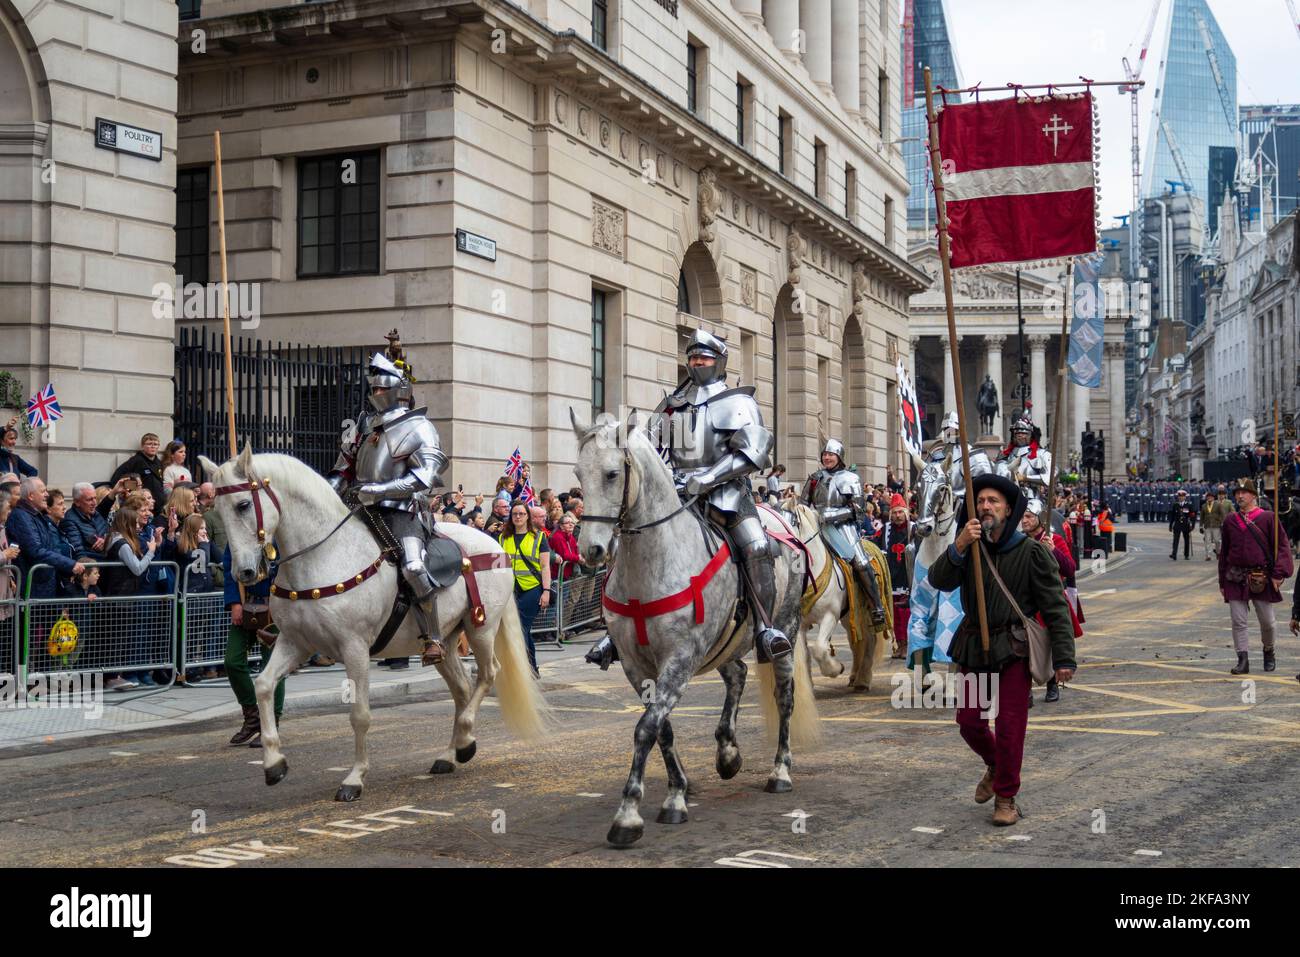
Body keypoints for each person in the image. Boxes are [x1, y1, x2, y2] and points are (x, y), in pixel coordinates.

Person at [586, 330, 790, 670]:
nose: (697, 362)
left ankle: (765, 629)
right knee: (626, 545)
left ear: (719, 362)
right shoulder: (672, 404)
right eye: (693, 356)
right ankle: (615, 630)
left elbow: (754, 452)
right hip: (675, 495)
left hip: (727, 495)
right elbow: (647, 451)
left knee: (755, 547)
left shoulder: (737, 402)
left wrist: (708, 477)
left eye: (705, 357)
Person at [927, 473, 1076, 826]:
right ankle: (995, 765)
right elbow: (937, 580)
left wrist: (1065, 657)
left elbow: (1055, 606)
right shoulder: (968, 547)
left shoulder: (1032, 552)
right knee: (969, 723)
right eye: (980, 501)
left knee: (1010, 727)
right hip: (974, 645)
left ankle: (1006, 796)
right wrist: (958, 546)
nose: (986, 506)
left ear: (1009, 509)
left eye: (993, 501)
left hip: (1014, 649)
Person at [327, 351, 449, 664]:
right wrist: (328, 493)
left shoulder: (419, 427)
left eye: (382, 389)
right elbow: (344, 468)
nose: (376, 394)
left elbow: (426, 476)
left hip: (403, 511)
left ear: (399, 390)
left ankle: (432, 637)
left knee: (412, 567)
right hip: (361, 507)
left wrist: (380, 490)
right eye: (373, 389)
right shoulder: (364, 425)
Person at [803, 439, 888, 628]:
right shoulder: (815, 477)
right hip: (816, 525)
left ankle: (877, 606)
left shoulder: (851, 478)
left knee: (861, 562)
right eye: (825, 454)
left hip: (842, 528)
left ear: (839, 457)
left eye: (831, 455)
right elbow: (803, 504)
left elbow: (858, 510)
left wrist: (832, 515)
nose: (827, 457)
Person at [1218, 479, 1292, 675]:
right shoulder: (1230, 521)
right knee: (1238, 620)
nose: (1240, 496)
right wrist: (1221, 581)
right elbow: (1224, 552)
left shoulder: (1268, 518)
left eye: (1244, 493)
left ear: (1253, 496)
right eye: (1237, 493)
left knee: (1267, 621)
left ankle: (1269, 651)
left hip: (1261, 576)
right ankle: (1243, 659)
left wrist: (1279, 574)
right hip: (1234, 576)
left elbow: (1282, 547)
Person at [222, 544, 285, 746]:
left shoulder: (275, 530)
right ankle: (253, 717)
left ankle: (271, 724)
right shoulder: (240, 531)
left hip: (274, 606)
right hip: (246, 603)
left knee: (272, 668)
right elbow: (229, 566)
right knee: (232, 661)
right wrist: (234, 603)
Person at [1021, 497, 1082, 704]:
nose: (1024, 520)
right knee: (1027, 645)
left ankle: (1052, 684)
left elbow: (1070, 569)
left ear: (1039, 518)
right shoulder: (1021, 542)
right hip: (1028, 600)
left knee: (1053, 642)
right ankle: (1025, 689)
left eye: (1028, 516)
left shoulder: (1054, 540)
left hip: (1050, 597)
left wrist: (1053, 551)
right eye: (1022, 516)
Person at [6, 476, 84, 599]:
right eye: (42, 491)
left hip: (44, 585)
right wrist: (69, 564)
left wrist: (67, 567)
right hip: (33, 589)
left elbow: (51, 547)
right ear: (31, 496)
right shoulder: (21, 516)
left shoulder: (37, 515)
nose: (47, 495)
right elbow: (36, 550)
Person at [499, 501, 550, 677]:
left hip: (532, 588)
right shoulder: (503, 538)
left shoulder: (539, 537)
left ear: (528, 516)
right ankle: (532, 668)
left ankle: (526, 669)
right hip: (510, 590)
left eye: (521, 513)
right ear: (511, 517)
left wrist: (546, 591)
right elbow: (499, 566)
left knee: (520, 628)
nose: (518, 517)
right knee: (522, 631)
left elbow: (545, 567)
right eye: (515, 514)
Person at [873, 493, 913, 658]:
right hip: (892, 577)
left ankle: (908, 645)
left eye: (900, 512)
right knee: (894, 614)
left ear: (905, 512)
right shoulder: (885, 529)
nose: (898, 516)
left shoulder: (914, 528)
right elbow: (874, 544)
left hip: (908, 577)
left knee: (906, 615)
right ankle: (899, 644)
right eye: (895, 513)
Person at [997, 412, 1052, 494]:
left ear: (1031, 435)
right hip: (1007, 496)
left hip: (1031, 497)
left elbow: (1050, 477)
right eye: (1017, 433)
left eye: (1023, 433)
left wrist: (1025, 478)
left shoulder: (1042, 454)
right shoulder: (1005, 455)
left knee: (1035, 506)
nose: (1020, 435)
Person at [110, 433, 166, 505]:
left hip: (158, 502)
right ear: (142, 446)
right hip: (142, 502)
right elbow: (117, 476)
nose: (153, 446)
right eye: (149, 444)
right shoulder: (136, 461)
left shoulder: (159, 463)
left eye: (155, 444)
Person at [60, 482, 109, 560]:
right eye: (89, 499)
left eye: (95, 498)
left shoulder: (96, 514)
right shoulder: (69, 520)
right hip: (92, 565)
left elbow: (108, 533)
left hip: (106, 559)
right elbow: (78, 551)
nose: (94, 503)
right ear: (77, 502)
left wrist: (105, 541)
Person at [1168, 488, 1196, 560]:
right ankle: (1174, 554)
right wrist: (1170, 525)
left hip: (1186, 524)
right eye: (1179, 496)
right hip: (1177, 524)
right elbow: (1172, 516)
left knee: (1186, 540)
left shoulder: (1189, 505)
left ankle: (1186, 555)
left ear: (1185, 497)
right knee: (1175, 540)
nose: (1181, 498)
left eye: (1182, 496)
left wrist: (1192, 525)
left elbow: (1192, 516)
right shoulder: (1175, 505)